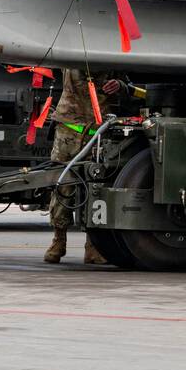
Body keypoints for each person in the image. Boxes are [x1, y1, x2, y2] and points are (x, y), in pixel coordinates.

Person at [44, 69, 123, 265]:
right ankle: (58, 240)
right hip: (69, 127)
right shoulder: (73, 55)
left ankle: (93, 246)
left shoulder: (110, 57)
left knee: (95, 187)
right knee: (62, 185)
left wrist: (119, 85)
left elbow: (126, 83)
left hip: (98, 130)